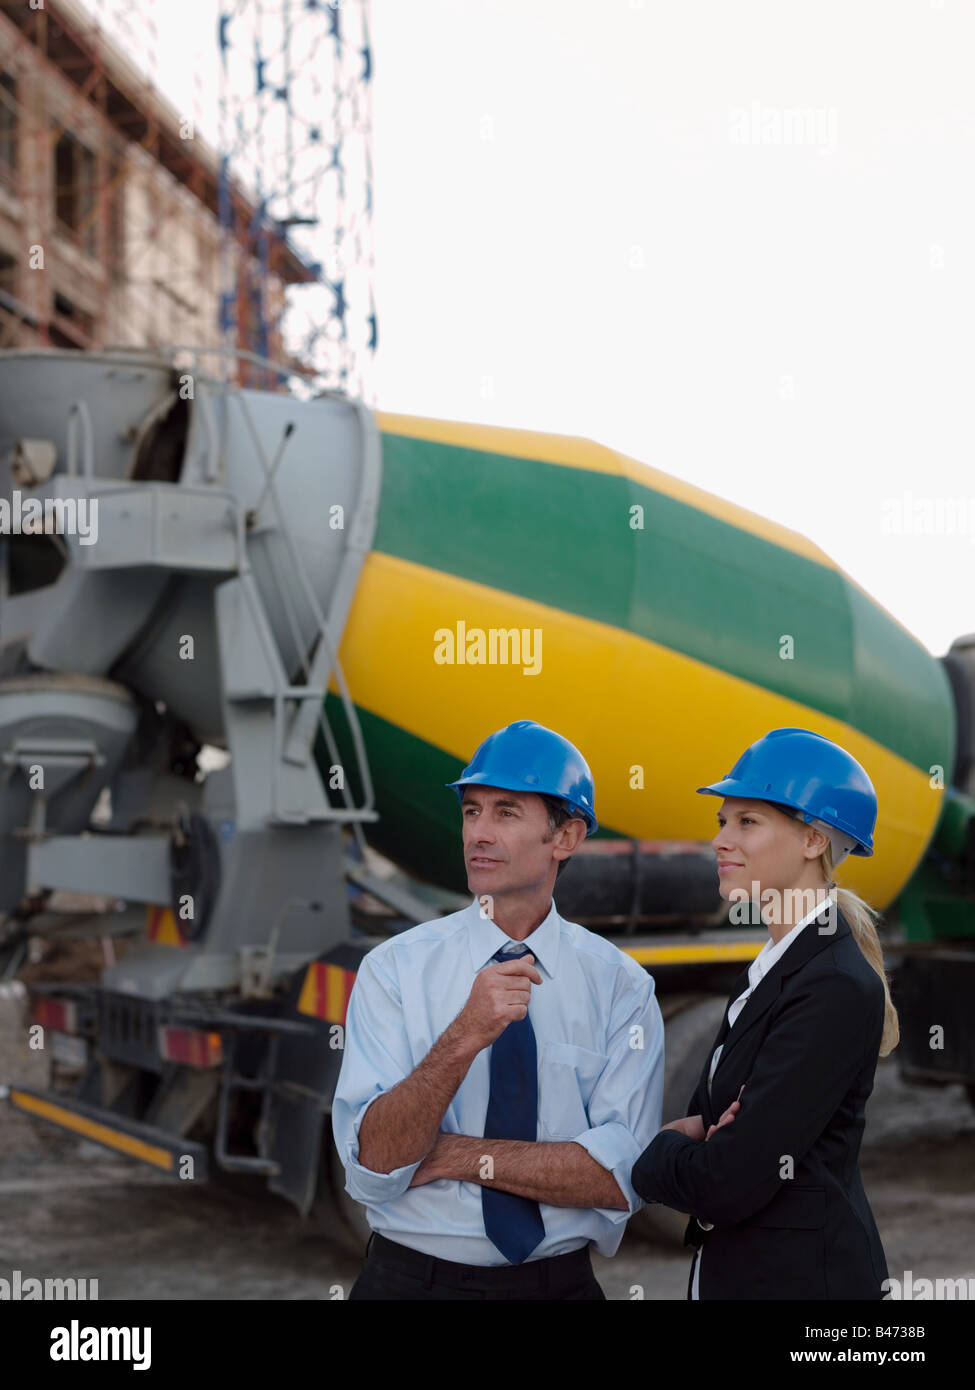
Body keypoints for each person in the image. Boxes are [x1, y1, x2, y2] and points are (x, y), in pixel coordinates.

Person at [332, 719, 665, 1300]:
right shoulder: (394, 970)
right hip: (410, 1282)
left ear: (566, 838)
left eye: (506, 813)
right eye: (471, 812)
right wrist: (463, 1036)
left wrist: (449, 1154)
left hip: (554, 1286)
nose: (478, 833)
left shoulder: (621, 988)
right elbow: (376, 1162)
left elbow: (616, 1179)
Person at [631, 727, 896, 1301]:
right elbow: (714, 1132)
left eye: (747, 822)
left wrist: (654, 1154)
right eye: (722, 822)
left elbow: (726, 1181)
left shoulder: (834, 984)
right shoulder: (773, 967)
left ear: (813, 840)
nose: (722, 841)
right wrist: (706, 1141)